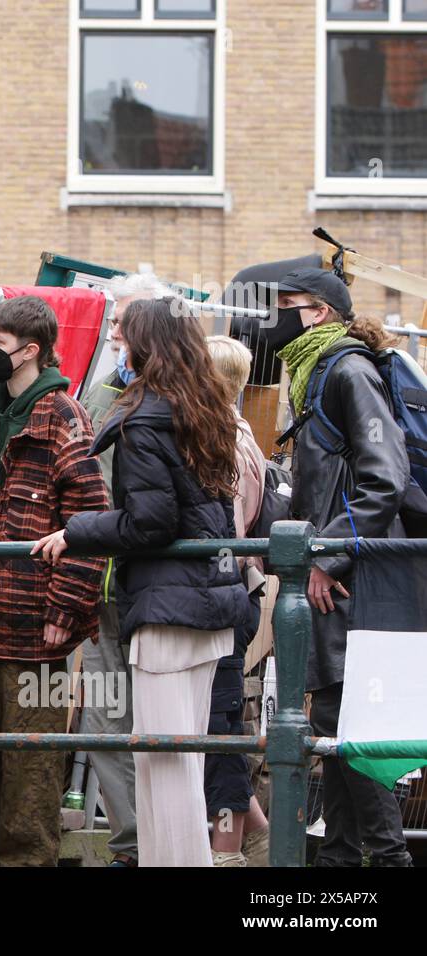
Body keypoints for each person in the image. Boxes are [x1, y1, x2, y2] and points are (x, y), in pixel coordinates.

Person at [37, 297, 250, 867]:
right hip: (207, 603)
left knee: (162, 758)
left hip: (166, 606)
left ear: (145, 345)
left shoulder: (145, 418)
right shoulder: (201, 407)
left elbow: (151, 522)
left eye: (122, 334)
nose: (114, 342)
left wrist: (76, 530)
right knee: (179, 755)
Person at [259, 267, 414, 867]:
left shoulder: (346, 371)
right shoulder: (317, 372)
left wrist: (329, 553)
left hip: (355, 575)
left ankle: (388, 859)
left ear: (318, 312)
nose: (273, 316)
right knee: (336, 715)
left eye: (285, 305)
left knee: (347, 718)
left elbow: (385, 477)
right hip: (345, 571)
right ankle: (341, 863)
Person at [0, 295, 109, 867]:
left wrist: (64, 614)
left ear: (30, 350)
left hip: (34, 620)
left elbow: (89, 523)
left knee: (32, 762)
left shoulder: (65, 417)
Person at [77, 272, 173, 868]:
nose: (114, 333)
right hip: (101, 586)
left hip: (159, 591)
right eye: (112, 320)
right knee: (107, 720)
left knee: (167, 725)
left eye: (124, 321)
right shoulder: (99, 394)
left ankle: (172, 845)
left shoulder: (188, 400)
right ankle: (132, 847)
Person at [204, 335, 271, 867]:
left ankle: (225, 851)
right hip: (237, 592)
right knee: (218, 724)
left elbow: (226, 525)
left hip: (224, 595)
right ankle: (258, 833)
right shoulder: (241, 433)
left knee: (218, 727)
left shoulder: (222, 438)